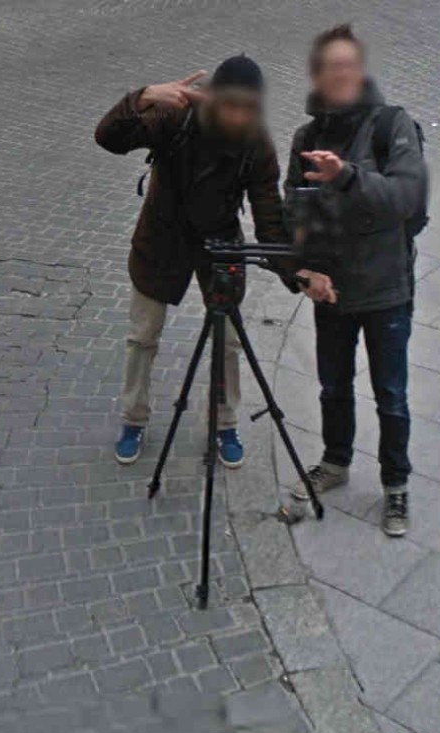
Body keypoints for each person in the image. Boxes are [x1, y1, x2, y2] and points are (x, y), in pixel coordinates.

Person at [96, 56, 335, 467]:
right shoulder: (175, 115)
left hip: (221, 243)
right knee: (143, 336)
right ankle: (133, 417)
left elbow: (268, 219)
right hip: (162, 240)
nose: (238, 114)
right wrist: (144, 96)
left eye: (248, 106)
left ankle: (224, 423)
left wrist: (297, 273)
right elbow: (109, 137)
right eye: (230, 104)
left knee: (228, 342)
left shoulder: (256, 143)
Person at [285, 24, 426, 536]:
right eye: (330, 67)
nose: (340, 74)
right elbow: (293, 215)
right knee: (333, 386)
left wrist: (347, 176)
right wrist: (305, 272)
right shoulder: (306, 137)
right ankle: (337, 461)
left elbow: (407, 200)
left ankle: (395, 487)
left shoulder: (393, 126)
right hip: (332, 290)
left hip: (387, 289)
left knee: (391, 393)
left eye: (348, 65)